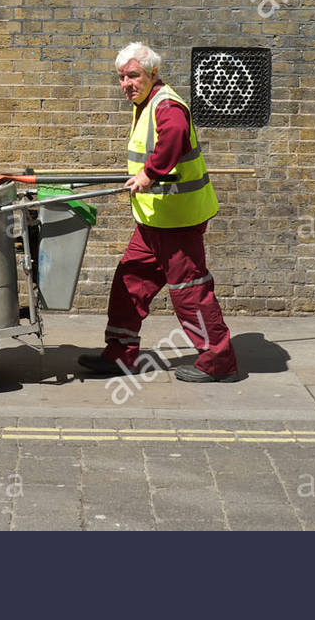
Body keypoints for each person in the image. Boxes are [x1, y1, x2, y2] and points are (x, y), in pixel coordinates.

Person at [77, 42, 241, 382]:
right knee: (129, 281)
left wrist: (149, 174)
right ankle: (120, 354)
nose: (127, 84)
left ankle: (217, 360)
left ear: (152, 74)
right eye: (122, 78)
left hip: (177, 221)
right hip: (153, 221)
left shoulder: (167, 105)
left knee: (189, 290)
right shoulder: (146, 104)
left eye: (133, 76)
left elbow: (176, 136)